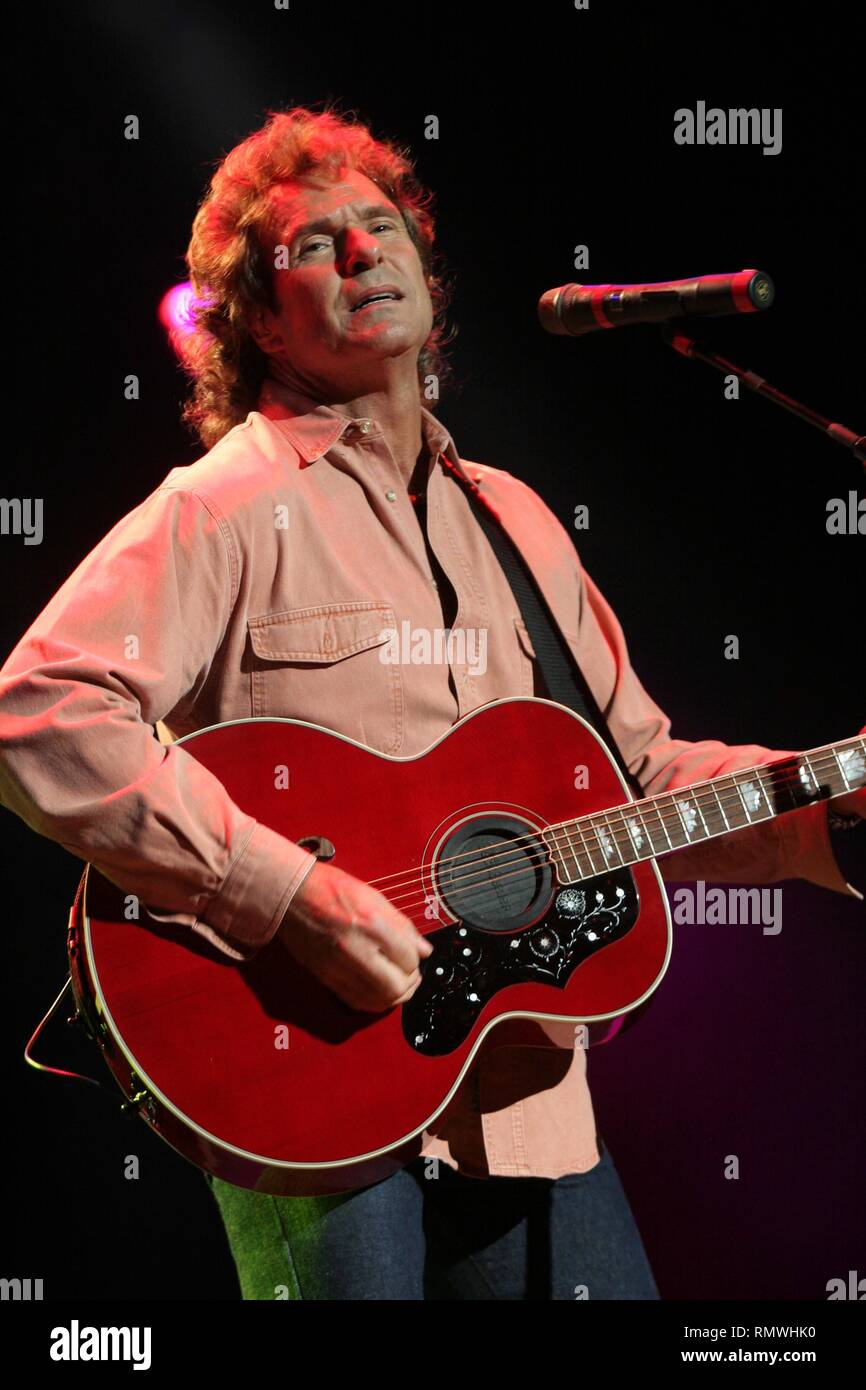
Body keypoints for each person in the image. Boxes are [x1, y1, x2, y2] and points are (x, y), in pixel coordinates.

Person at [0, 104, 862, 1302]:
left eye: (381, 224)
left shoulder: (512, 516)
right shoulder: (223, 504)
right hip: (313, 1093)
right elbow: (42, 710)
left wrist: (835, 807)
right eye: (315, 245)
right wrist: (285, 891)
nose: (362, 251)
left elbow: (646, 782)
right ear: (257, 315)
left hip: (530, 1104)